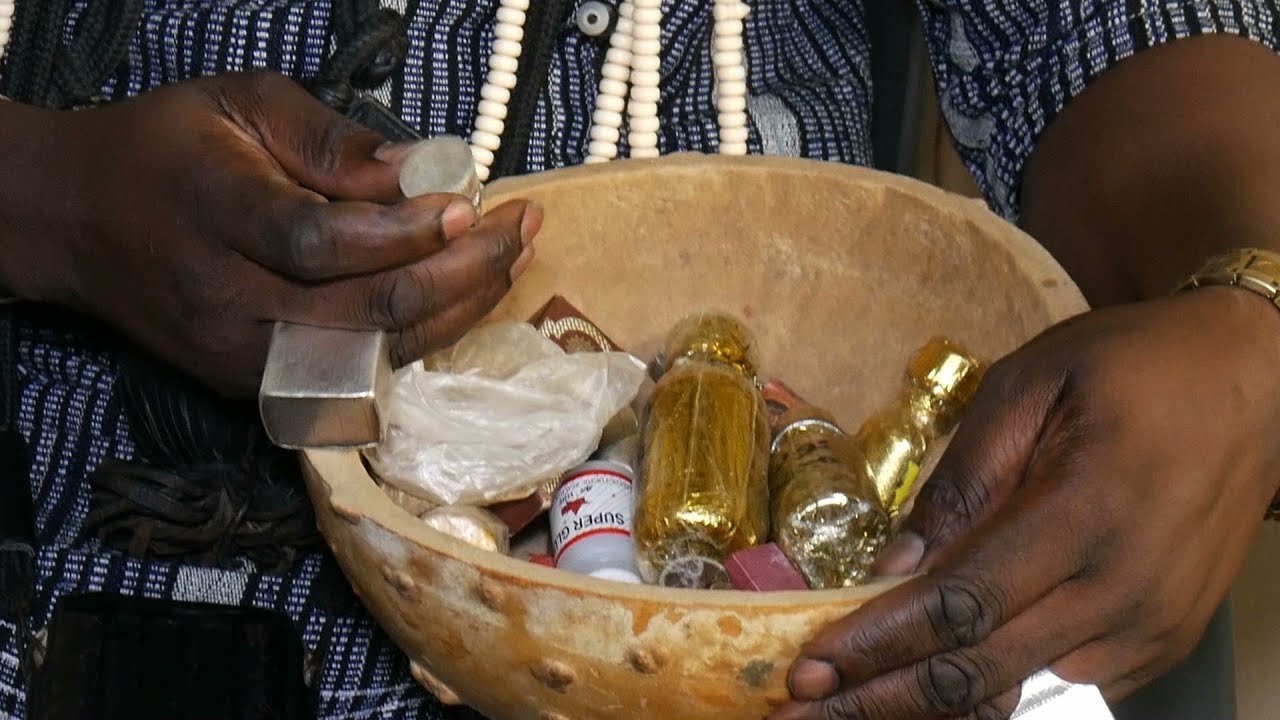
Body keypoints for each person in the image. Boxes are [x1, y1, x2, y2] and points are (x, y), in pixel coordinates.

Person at [0, 0, 1276, 718]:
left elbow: (1102, 31)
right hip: (72, 551)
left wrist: (1251, 310)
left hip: (765, 643)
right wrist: (45, 195)